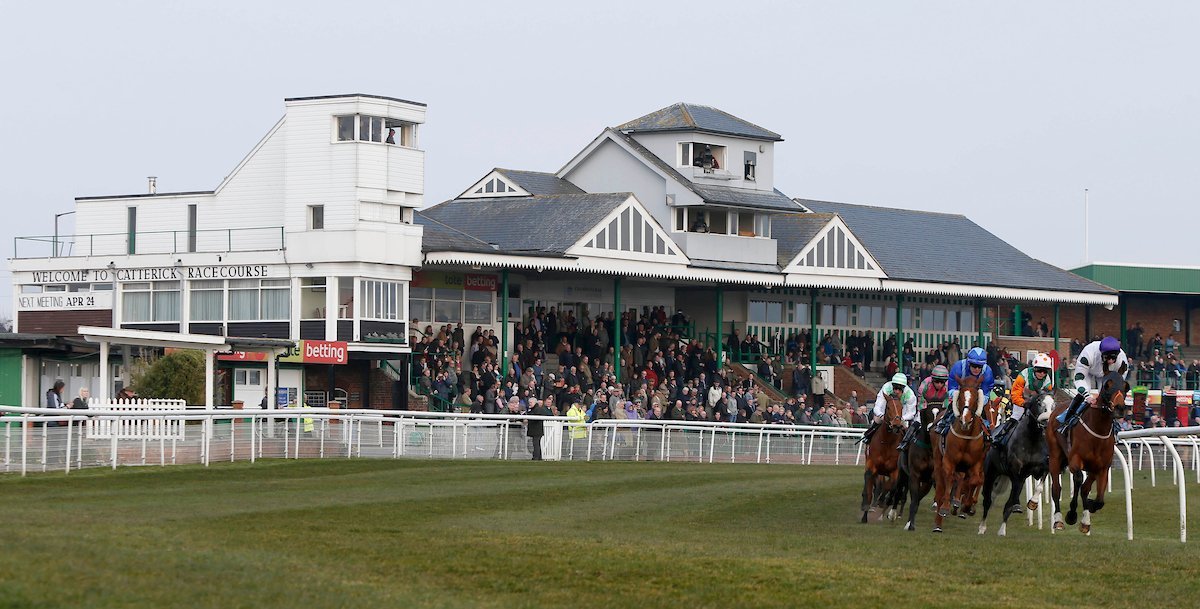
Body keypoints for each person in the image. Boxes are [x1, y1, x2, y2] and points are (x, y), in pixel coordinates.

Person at [1057, 336, 1129, 432]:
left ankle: (1114, 426)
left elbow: (1118, 383)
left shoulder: (1122, 360)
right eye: (1107, 358)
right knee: (1084, 397)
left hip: (1107, 374)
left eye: (1113, 358)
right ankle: (1066, 419)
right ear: (1101, 354)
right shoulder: (1088, 354)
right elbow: (1079, 378)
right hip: (1089, 371)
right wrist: (1088, 397)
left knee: (1108, 398)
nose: (1111, 361)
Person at [992, 353, 1054, 446]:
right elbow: (1015, 394)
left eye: (1045, 371)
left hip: (1037, 403)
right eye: (1039, 370)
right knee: (1017, 415)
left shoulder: (1047, 381)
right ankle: (1001, 437)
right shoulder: (1023, 375)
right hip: (1021, 401)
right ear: (1034, 368)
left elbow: (1046, 396)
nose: (1042, 373)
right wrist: (1023, 403)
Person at [937, 346, 995, 434]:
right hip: (961, 397)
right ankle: (943, 424)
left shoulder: (987, 372)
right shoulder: (958, 367)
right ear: (968, 363)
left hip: (978, 398)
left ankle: (989, 432)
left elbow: (986, 393)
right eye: (974, 365)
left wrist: (976, 402)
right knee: (950, 409)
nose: (977, 369)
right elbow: (952, 389)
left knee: (988, 414)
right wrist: (963, 400)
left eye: (980, 366)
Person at [898, 365, 948, 451]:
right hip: (926, 409)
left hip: (941, 410)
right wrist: (924, 411)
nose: (939, 384)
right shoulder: (925, 383)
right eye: (937, 381)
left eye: (942, 382)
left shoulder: (948, 386)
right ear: (932, 379)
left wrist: (944, 412)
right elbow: (921, 401)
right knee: (917, 422)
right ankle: (905, 442)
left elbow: (948, 402)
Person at [860, 373, 916, 443]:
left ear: (904, 388)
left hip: (902, 414)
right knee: (877, 420)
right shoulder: (886, 388)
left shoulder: (910, 395)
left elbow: (911, 413)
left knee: (906, 426)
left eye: (899, 389)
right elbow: (878, 406)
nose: (897, 391)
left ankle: (907, 444)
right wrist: (881, 415)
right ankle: (868, 436)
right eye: (895, 388)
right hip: (886, 412)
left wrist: (902, 418)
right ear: (892, 385)